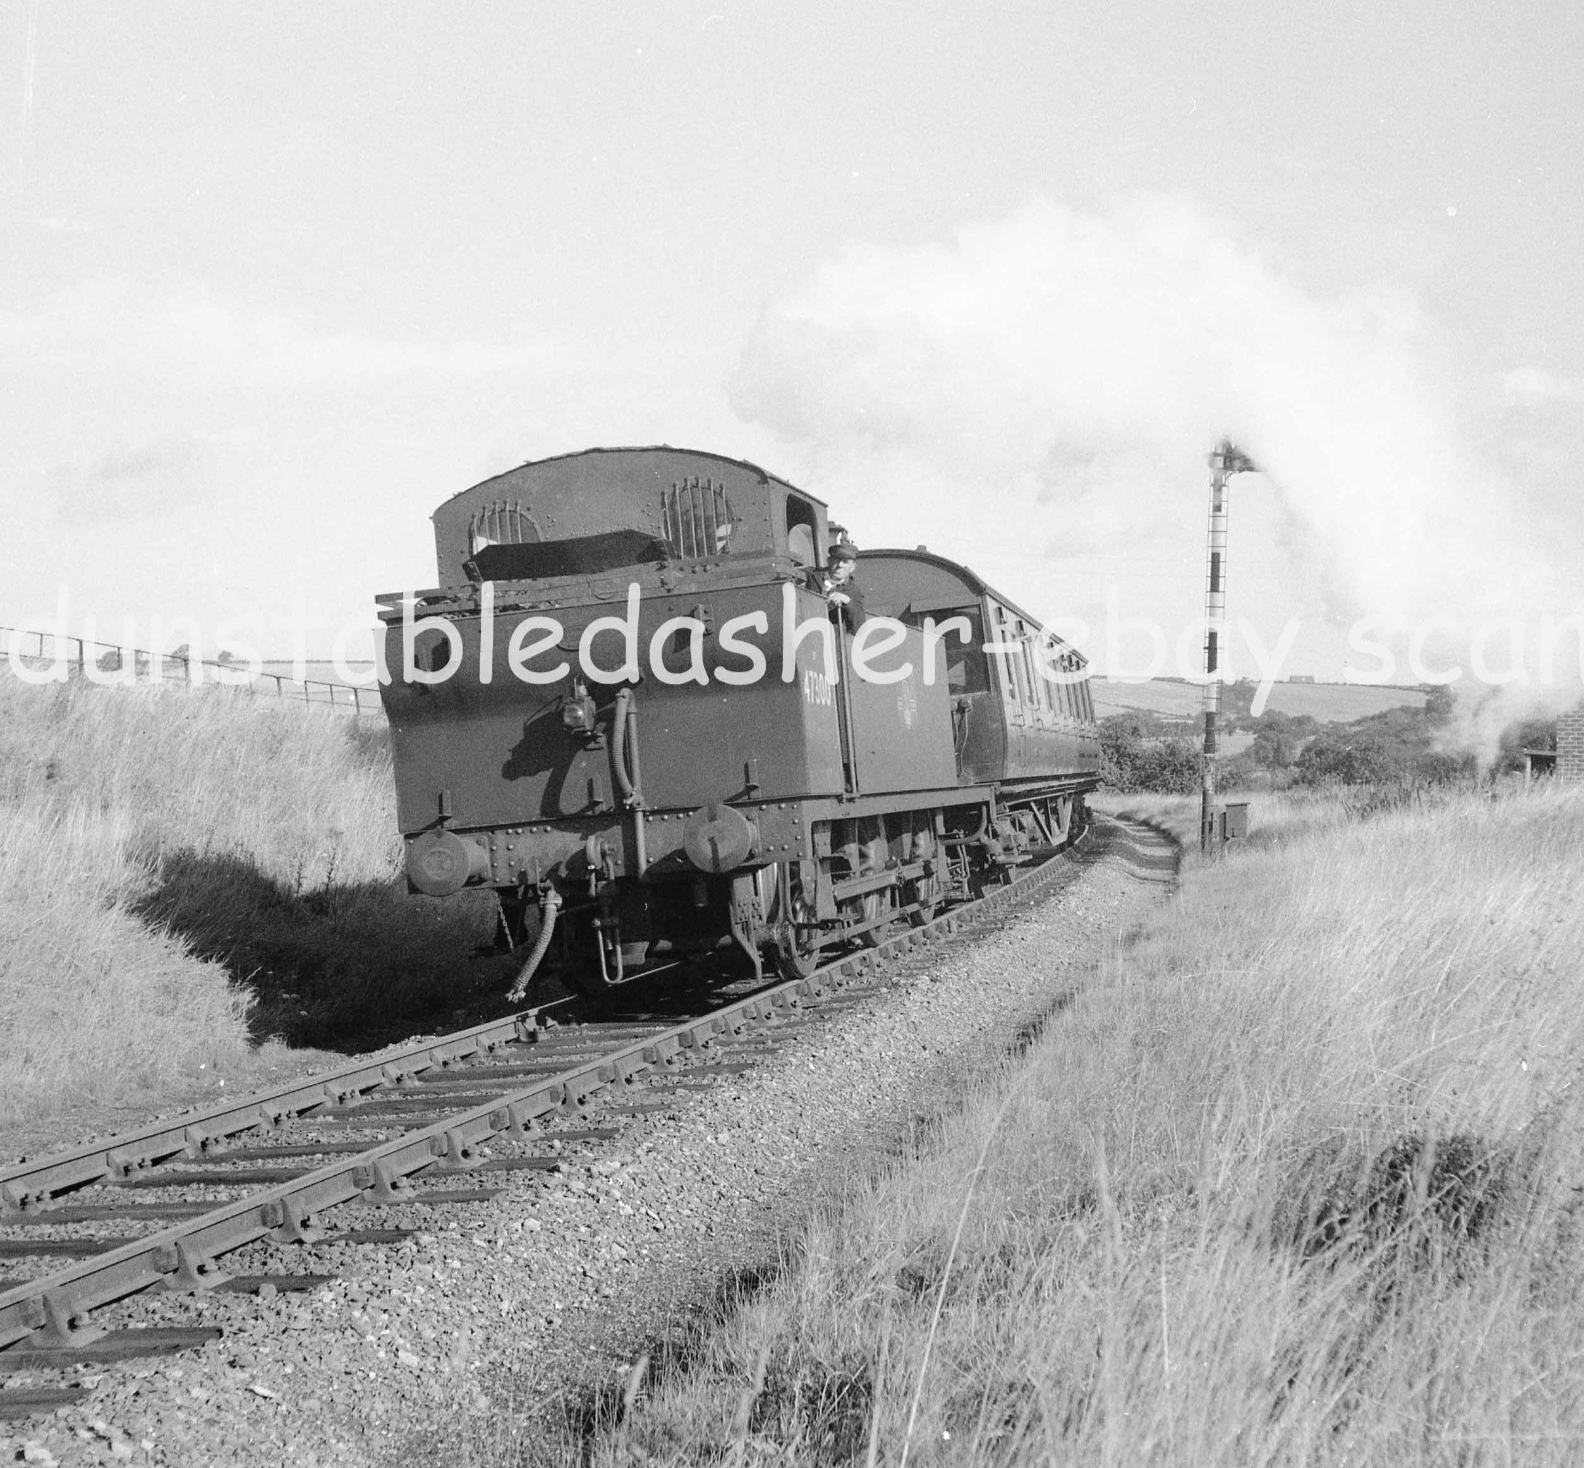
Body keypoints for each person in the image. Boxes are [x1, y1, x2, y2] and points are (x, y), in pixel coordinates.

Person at [821, 541, 866, 631]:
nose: (840, 565)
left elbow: (859, 628)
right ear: (829, 561)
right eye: (836, 560)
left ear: (852, 568)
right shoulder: (812, 578)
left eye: (845, 562)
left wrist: (848, 601)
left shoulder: (854, 592)